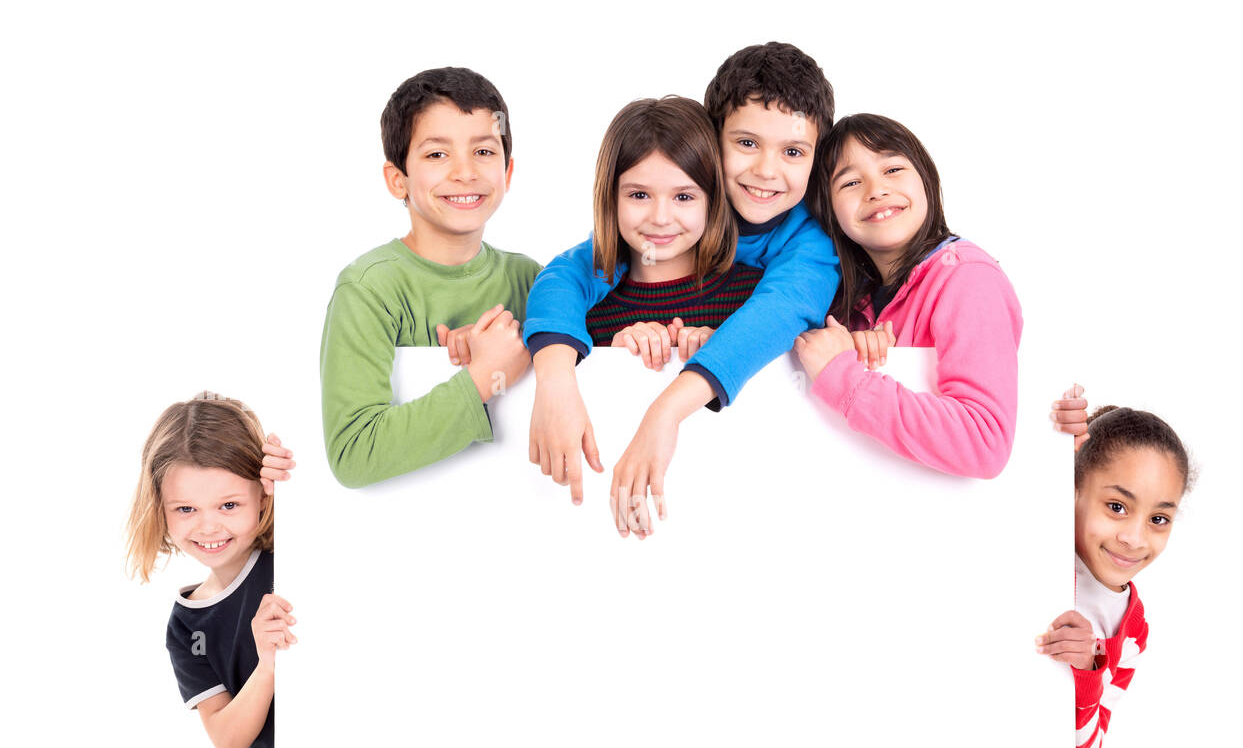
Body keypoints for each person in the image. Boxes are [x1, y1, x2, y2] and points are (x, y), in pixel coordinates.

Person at [521, 42, 841, 531]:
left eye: (793, 151)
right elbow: (569, 275)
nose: (766, 171)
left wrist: (666, 411)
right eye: (747, 143)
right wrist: (557, 376)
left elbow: (777, 313)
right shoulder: (668, 222)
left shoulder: (809, 243)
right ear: (710, 144)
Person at [127, 393, 295, 748]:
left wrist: (293, 479)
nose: (209, 526)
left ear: (260, 495)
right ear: (161, 510)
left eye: (228, 503)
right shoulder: (185, 624)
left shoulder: (289, 555)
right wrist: (268, 664)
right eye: (186, 510)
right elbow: (228, 739)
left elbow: (331, 499)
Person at [320, 67, 540, 487]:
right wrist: (482, 376)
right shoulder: (368, 289)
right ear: (397, 180)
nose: (465, 172)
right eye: (437, 154)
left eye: (484, 151)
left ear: (508, 173)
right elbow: (353, 454)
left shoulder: (531, 279)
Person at [1041, 388, 1194, 748]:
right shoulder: (1039, 552)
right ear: (1075, 492)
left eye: (1159, 518)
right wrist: (1057, 441)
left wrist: (1086, 672)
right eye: (1116, 507)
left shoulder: (1133, 623)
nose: (1134, 538)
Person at [794, 113, 1021, 479]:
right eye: (851, 182)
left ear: (926, 179)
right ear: (829, 212)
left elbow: (985, 442)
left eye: (893, 169)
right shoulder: (848, 298)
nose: (876, 190)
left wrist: (843, 376)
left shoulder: (967, 278)